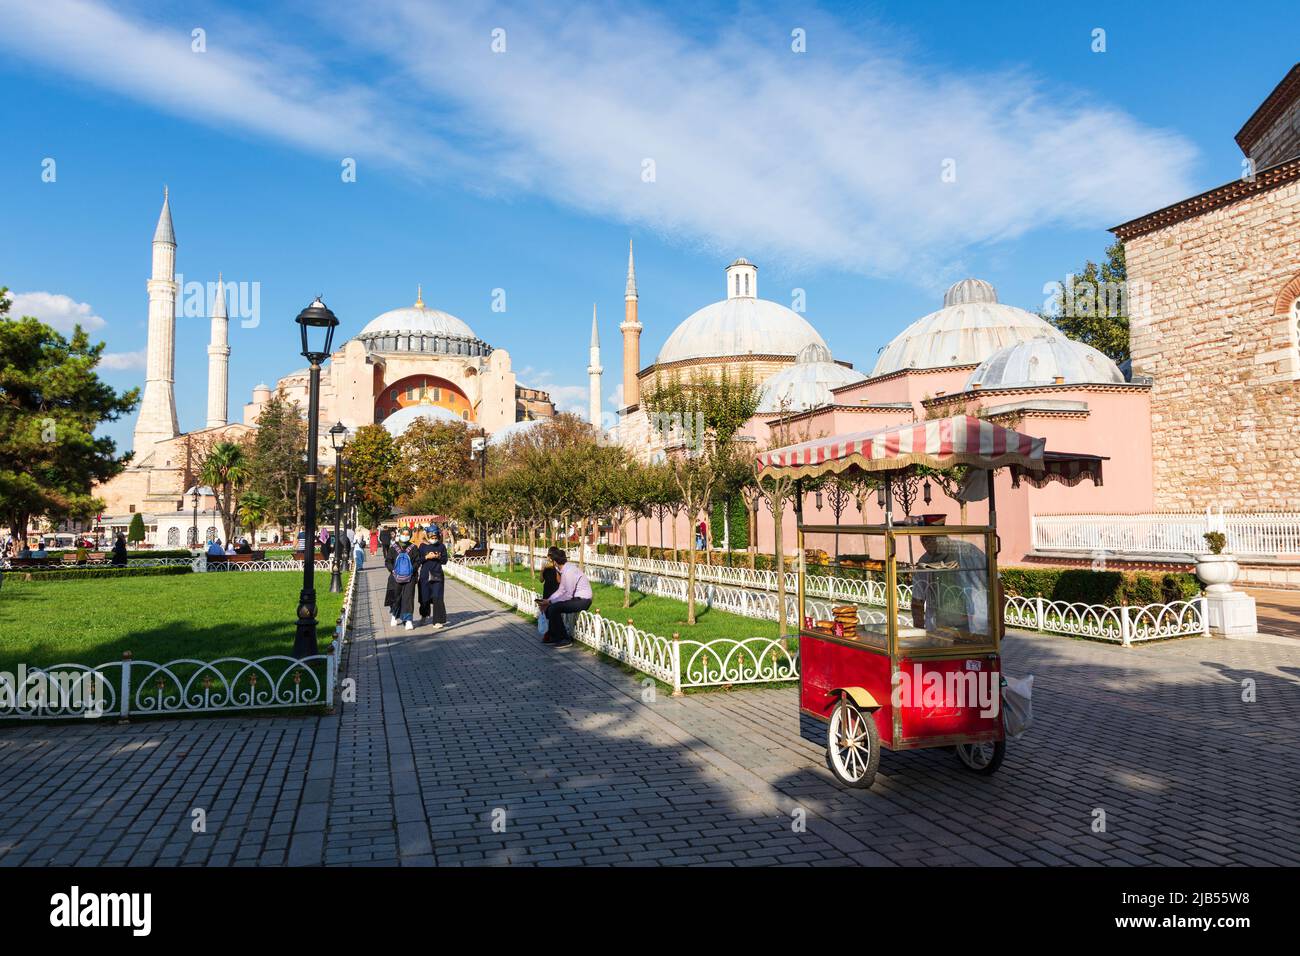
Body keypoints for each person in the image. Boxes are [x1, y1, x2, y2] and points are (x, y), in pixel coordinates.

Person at [537, 547, 592, 648]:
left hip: (583, 600)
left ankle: (565, 639)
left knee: (554, 608)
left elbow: (568, 594)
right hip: (576, 599)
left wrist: (550, 602)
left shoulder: (569, 571)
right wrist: (548, 600)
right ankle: (554, 636)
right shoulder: (565, 569)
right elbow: (561, 590)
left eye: (552, 561)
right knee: (550, 608)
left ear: (555, 562)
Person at [385, 527, 420, 630]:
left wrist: (411, 569)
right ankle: (394, 616)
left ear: (410, 535)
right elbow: (388, 561)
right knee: (396, 597)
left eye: (407, 534)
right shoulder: (393, 547)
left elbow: (418, 561)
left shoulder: (414, 548)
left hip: (410, 577)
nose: (405, 536)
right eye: (403, 534)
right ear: (399, 534)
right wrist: (393, 570)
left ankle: (408, 620)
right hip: (395, 577)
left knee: (408, 598)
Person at [417, 525, 449, 628]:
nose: (433, 539)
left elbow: (445, 561)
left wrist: (438, 556)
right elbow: (418, 561)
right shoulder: (422, 546)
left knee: (437, 598)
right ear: (427, 535)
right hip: (425, 576)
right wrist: (426, 557)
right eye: (431, 537)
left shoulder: (441, 546)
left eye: (435, 537)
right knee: (424, 598)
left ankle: (437, 621)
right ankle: (424, 615)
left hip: (437, 576)